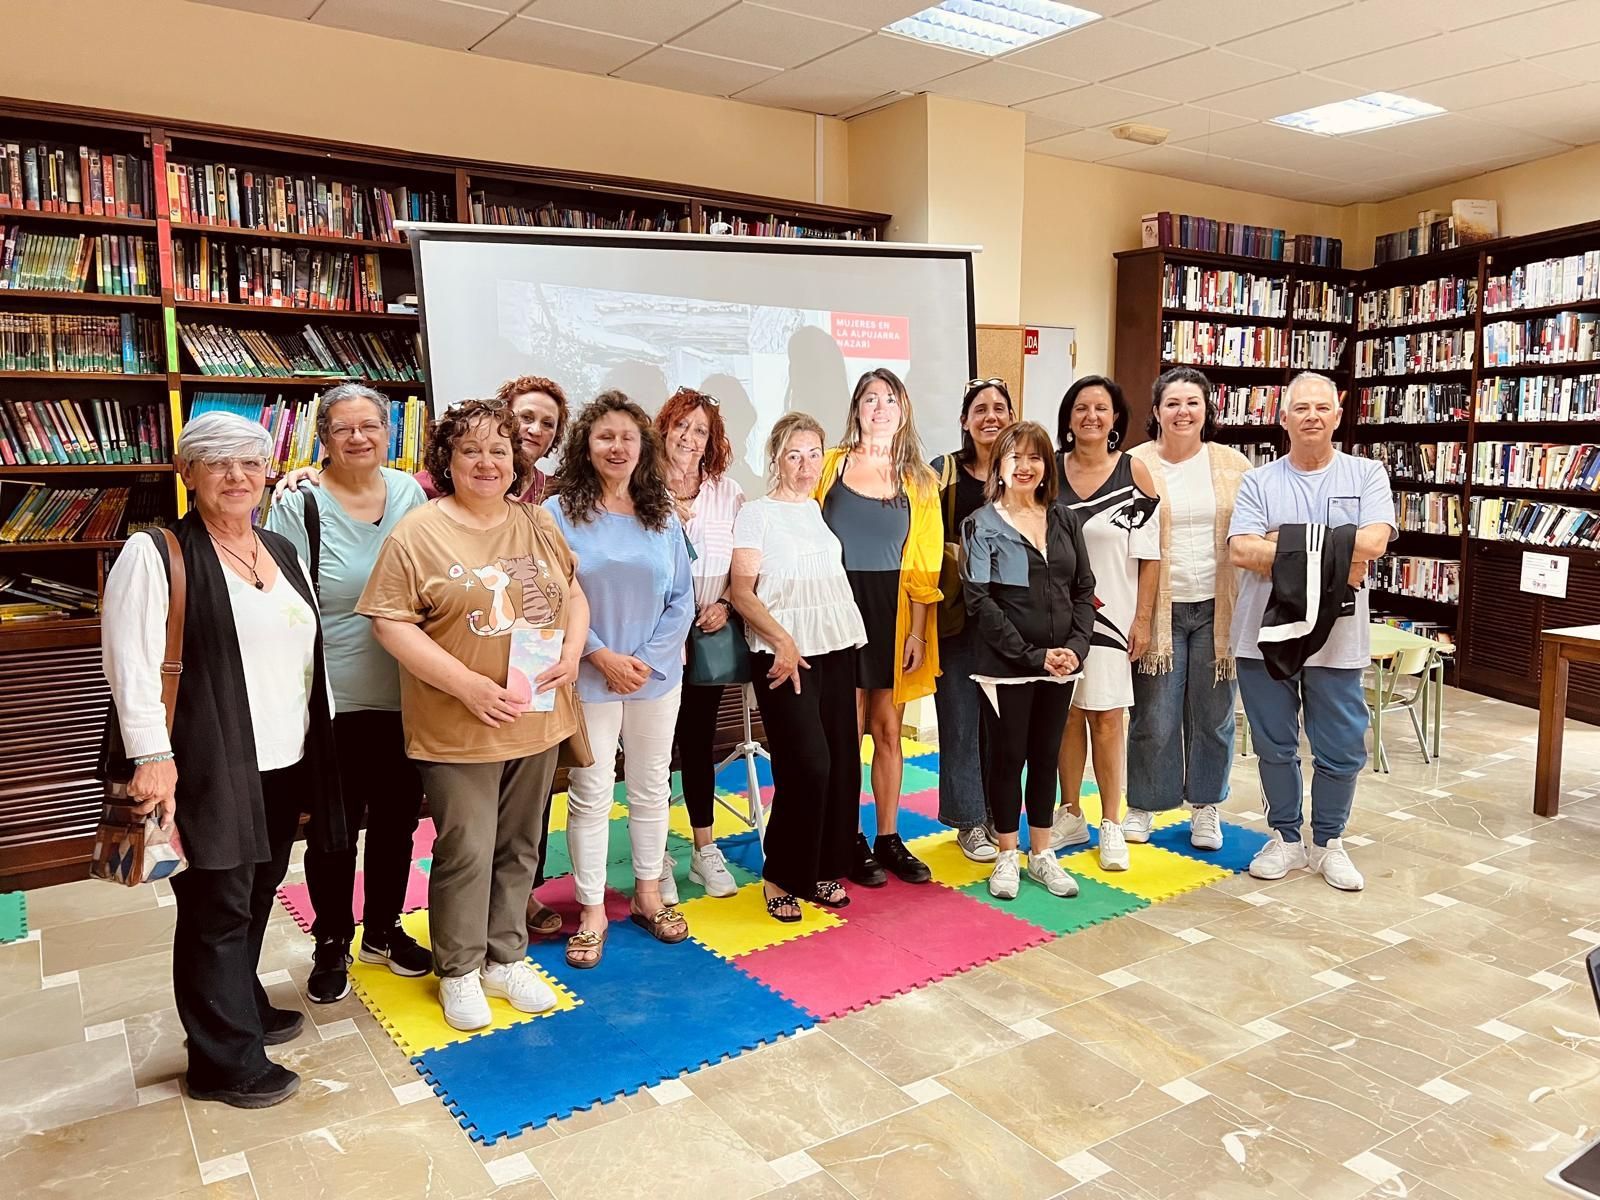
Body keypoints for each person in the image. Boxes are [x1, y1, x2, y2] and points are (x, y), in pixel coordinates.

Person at [102, 412, 345, 1109]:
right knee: (215, 906)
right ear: (188, 474)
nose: (236, 476)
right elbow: (131, 664)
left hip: (283, 755)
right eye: (216, 462)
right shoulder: (157, 552)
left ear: (269, 469)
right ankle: (221, 1060)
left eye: (249, 461)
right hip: (207, 761)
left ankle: (241, 1007)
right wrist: (152, 755)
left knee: (257, 892)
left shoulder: (277, 546)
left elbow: (304, 647)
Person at [358, 398, 588, 1031]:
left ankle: (504, 957)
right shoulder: (419, 532)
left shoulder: (537, 521)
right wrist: (467, 686)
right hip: (458, 723)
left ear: (517, 460)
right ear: (447, 461)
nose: (487, 462)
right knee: (466, 847)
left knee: (521, 844)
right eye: (471, 450)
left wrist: (571, 654)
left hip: (536, 714)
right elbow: (388, 622)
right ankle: (458, 967)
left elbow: (572, 593)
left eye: (499, 450)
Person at [265, 383, 430, 1004]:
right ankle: (332, 939)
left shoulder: (411, 492)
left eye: (370, 426)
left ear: (387, 431)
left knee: (397, 823)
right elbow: (281, 598)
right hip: (332, 699)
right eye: (343, 429)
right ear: (324, 438)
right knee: (334, 830)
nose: (358, 438)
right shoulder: (300, 502)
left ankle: (384, 932)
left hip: (408, 688)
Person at [544, 392, 695, 967]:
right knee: (591, 792)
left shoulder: (662, 514)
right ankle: (590, 910)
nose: (617, 446)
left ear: (643, 447)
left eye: (628, 437)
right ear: (587, 443)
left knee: (653, 786)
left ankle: (649, 895)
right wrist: (602, 655)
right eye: (605, 436)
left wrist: (649, 660)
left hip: (656, 677)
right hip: (587, 674)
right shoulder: (557, 513)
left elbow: (680, 598)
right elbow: (551, 595)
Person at [1228, 371, 1395, 891]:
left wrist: (1282, 543)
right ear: (1284, 419)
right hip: (1264, 636)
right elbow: (1240, 551)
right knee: (1275, 744)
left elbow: (1373, 545)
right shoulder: (1258, 481)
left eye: (1322, 408)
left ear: (1338, 416)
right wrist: (1334, 553)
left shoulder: (1367, 475)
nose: (1311, 416)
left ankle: (1328, 842)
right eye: (1300, 408)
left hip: (1339, 639)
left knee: (1342, 747)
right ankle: (1286, 837)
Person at [729, 413, 868, 920]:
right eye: (794, 454)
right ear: (776, 459)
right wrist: (783, 641)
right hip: (784, 656)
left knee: (844, 763)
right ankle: (781, 875)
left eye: (813, 453)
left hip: (835, 647)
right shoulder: (756, 513)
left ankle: (823, 868)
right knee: (807, 764)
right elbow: (741, 591)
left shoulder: (815, 510)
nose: (805, 464)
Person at [816, 368, 942, 887]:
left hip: (893, 613)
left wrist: (916, 632)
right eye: (870, 398)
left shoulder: (921, 480)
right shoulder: (829, 466)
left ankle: (888, 837)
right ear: (856, 408)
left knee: (888, 731)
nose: (880, 407)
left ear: (904, 408)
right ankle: (846, 837)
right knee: (845, 732)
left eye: (890, 398)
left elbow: (926, 564)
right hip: (838, 610)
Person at [961, 422, 1096, 901]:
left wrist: (1076, 648)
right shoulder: (980, 524)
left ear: (1047, 466)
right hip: (1006, 666)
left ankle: (1041, 854)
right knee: (1008, 758)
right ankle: (1005, 855)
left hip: (1063, 664)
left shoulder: (1064, 519)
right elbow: (981, 601)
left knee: (1045, 757)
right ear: (998, 465)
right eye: (1013, 456)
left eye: (1034, 457)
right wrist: (1032, 654)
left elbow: (1083, 589)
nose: (1024, 466)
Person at [1124, 368, 1252, 853]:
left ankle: (1205, 806)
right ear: (1155, 412)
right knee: (1154, 714)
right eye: (1172, 403)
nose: (1183, 412)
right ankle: (1144, 802)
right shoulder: (1134, 463)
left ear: (1207, 411)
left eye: (1192, 403)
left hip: (1219, 607)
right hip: (1159, 607)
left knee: (1214, 714)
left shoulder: (1232, 463)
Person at [1052, 376, 1160, 872]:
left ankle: (1111, 822)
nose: (1090, 416)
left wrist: (1142, 618)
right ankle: (1071, 813)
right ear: (1068, 418)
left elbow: (1150, 555)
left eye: (1101, 408)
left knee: (1108, 718)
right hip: (1055, 618)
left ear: (1116, 418)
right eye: (1081, 407)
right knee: (1066, 717)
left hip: (1113, 617)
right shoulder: (1049, 472)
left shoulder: (1135, 472)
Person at [658, 386, 743, 901]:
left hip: (709, 634)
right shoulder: (640, 486)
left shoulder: (727, 493)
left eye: (701, 431)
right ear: (664, 428)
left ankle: (703, 849)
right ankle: (656, 853)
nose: (690, 437)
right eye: (682, 426)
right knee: (651, 752)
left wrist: (727, 603)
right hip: (655, 639)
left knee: (698, 741)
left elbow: (744, 562)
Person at [930, 378, 1015, 863]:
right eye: (980, 409)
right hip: (958, 615)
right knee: (961, 718)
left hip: (1010, 619)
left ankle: (996, 813)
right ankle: (969, 820)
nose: (990, 417)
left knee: (1002, 724)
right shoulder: (942, 471)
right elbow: (923, 537)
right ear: (965, 420)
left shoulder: (1022, 470)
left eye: (999, 408)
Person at [417, 375, 569, 502]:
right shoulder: (427, 486)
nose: (535, 430)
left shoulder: (559, 495)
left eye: (547, 424)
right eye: (526, 417)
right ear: (502, 418)